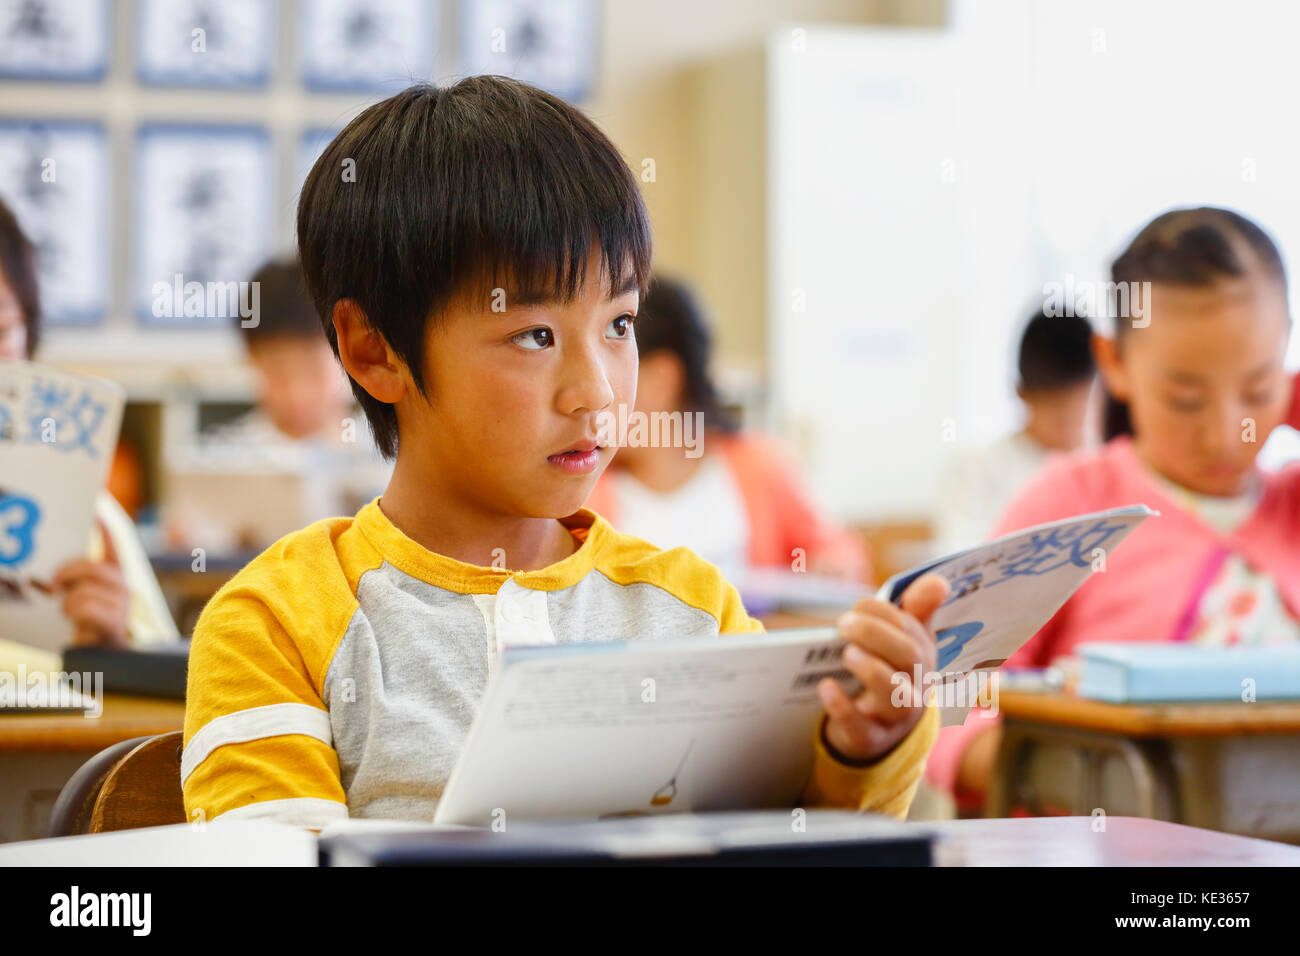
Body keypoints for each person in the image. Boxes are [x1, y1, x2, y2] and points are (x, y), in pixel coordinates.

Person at [181, 77, 949, 829]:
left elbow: (800, 846)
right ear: (375, 351)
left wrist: (861, 747)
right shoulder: (278, 624)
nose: (598, 393)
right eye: (534, 336)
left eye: (619, 325)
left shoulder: (694, 611)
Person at [928, 207, 1300, 808]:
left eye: (1257, 389)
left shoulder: (1293, 504)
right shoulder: (1071, 505)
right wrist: (1057, 764)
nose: (1226, 432)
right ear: (1116, 364)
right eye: (1185, 398)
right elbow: (948, 696)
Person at [585, 275, 870, 584]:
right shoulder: (587, 485)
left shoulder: (761, 463)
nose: (593, 396)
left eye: (606, 371)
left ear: (660, 379)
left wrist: (832, 565)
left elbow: (841, 553)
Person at [0, 198, 177, 666]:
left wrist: (115, 650)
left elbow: (170, 712)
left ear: (28, 338)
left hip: (63, 737)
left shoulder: (90, 515)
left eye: (1, 331)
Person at [933, 308, 1096, 553]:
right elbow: (957, 558)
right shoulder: (980, 470)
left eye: (1080, 403)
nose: (1070, 421)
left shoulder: (1104, 464)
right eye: (1056, 409)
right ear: (1022, 393)